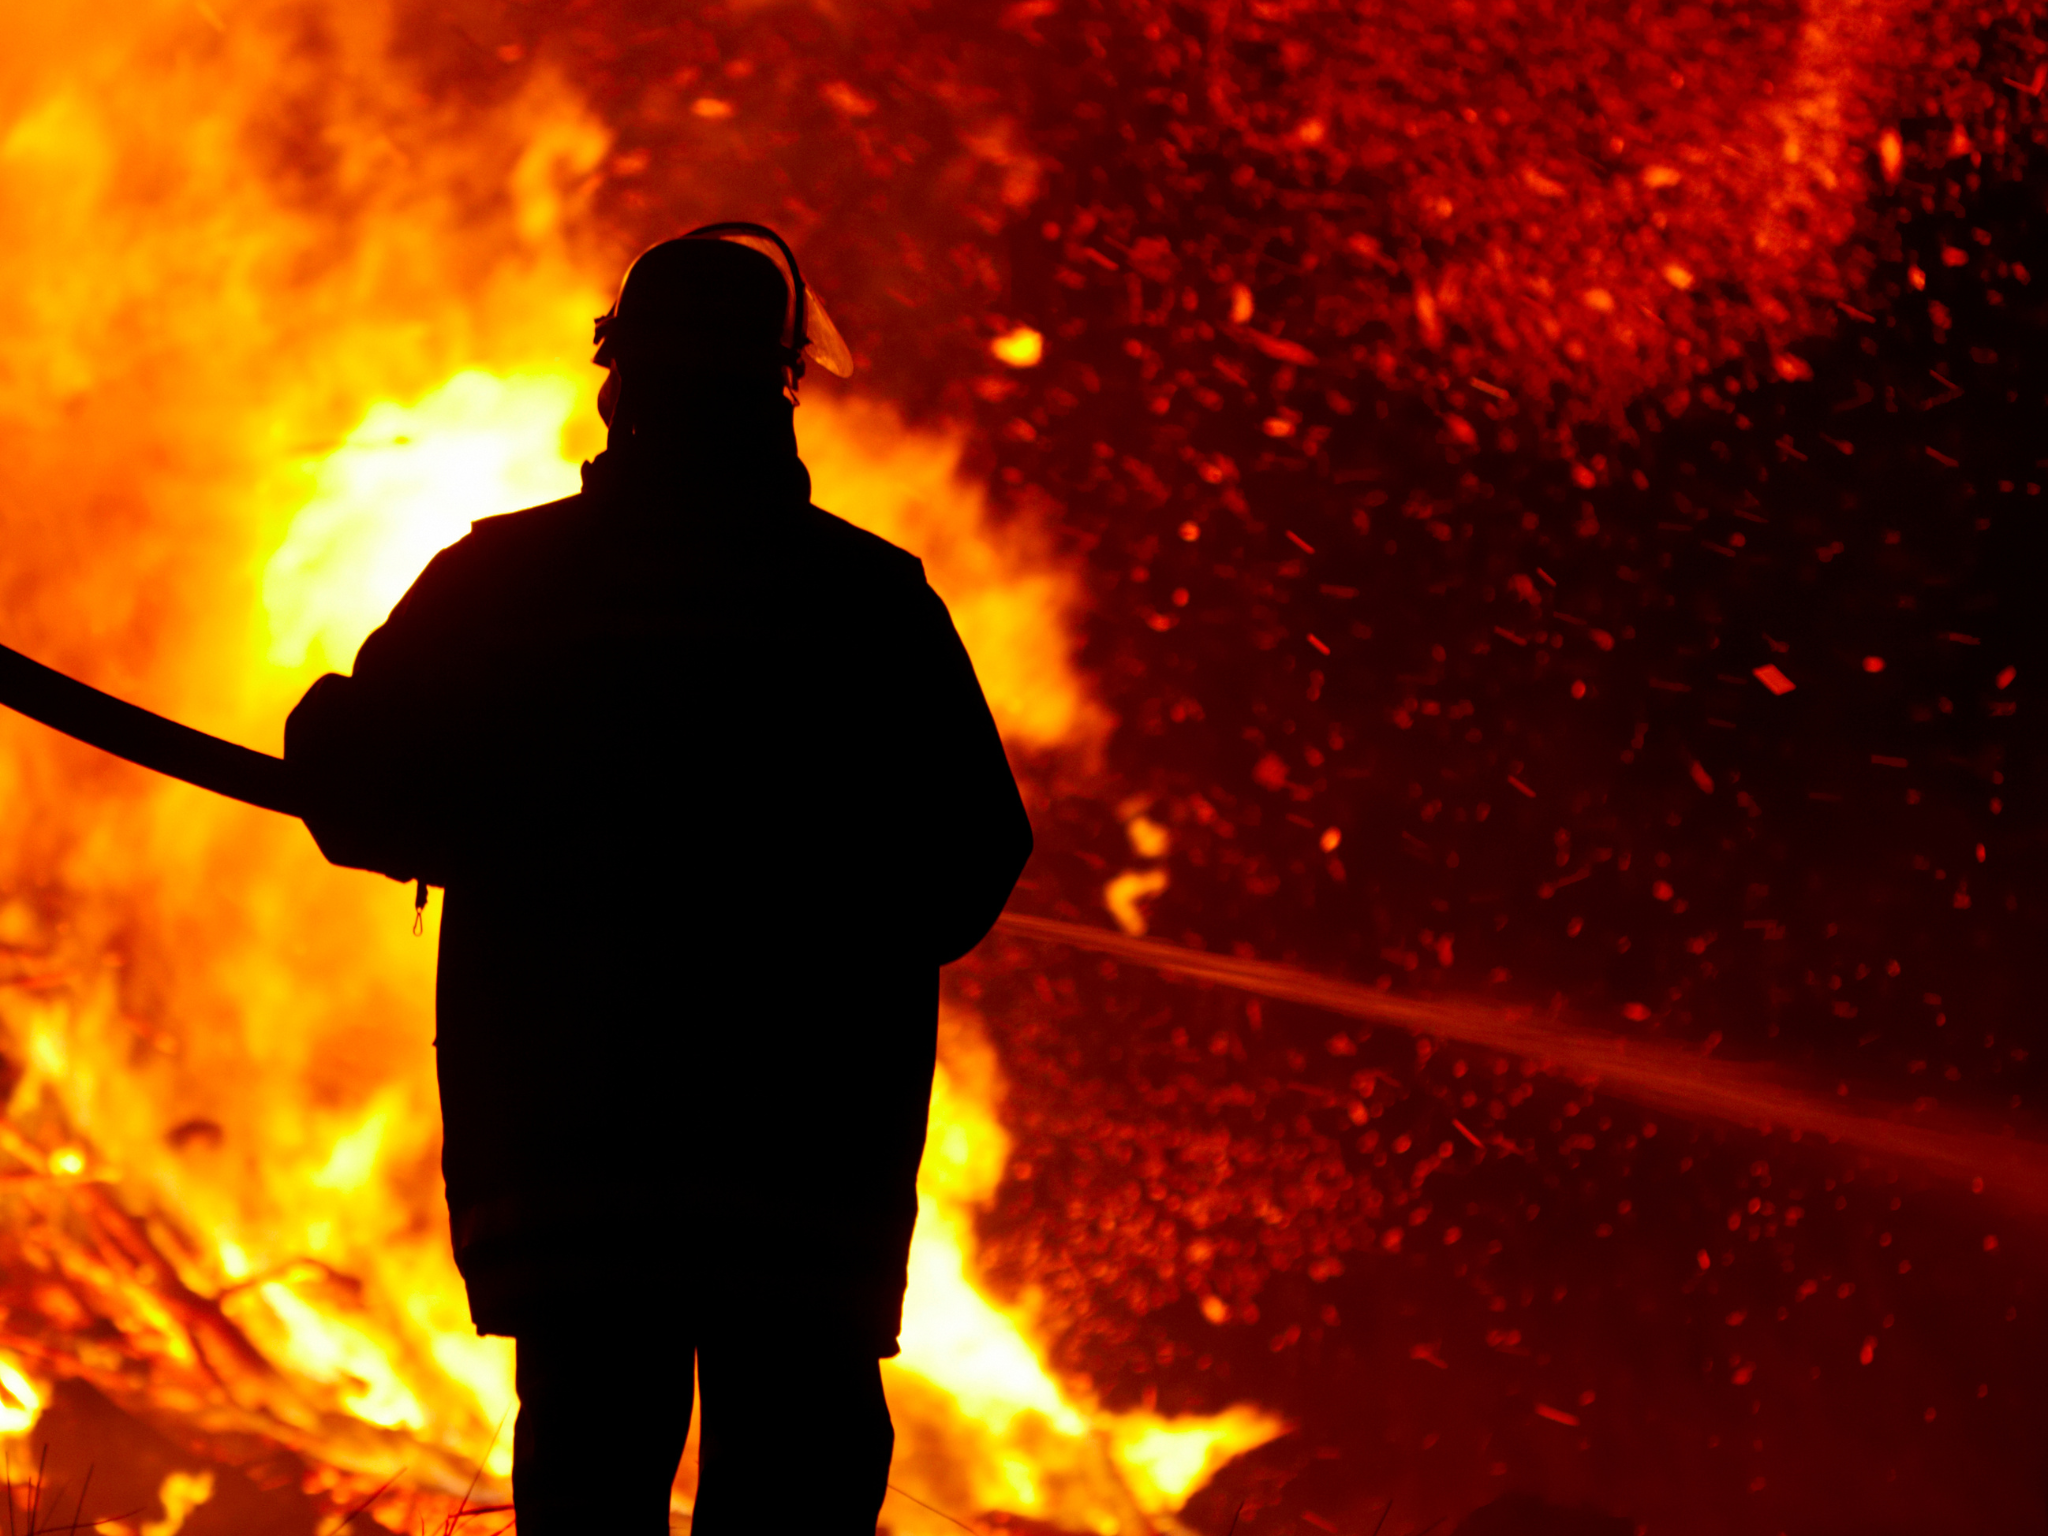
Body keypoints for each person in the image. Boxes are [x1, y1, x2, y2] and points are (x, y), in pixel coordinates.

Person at [284, 224, 1033, 1533]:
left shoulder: (501, 589)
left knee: (590, 1472)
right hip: (805, 1175)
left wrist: (344, 738)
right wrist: (824, 929)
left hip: (581, 1171)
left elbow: (361, 792)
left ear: (617, 380)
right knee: (794, 1481)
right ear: (780, 387)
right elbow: (973, 856)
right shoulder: (870, 608)